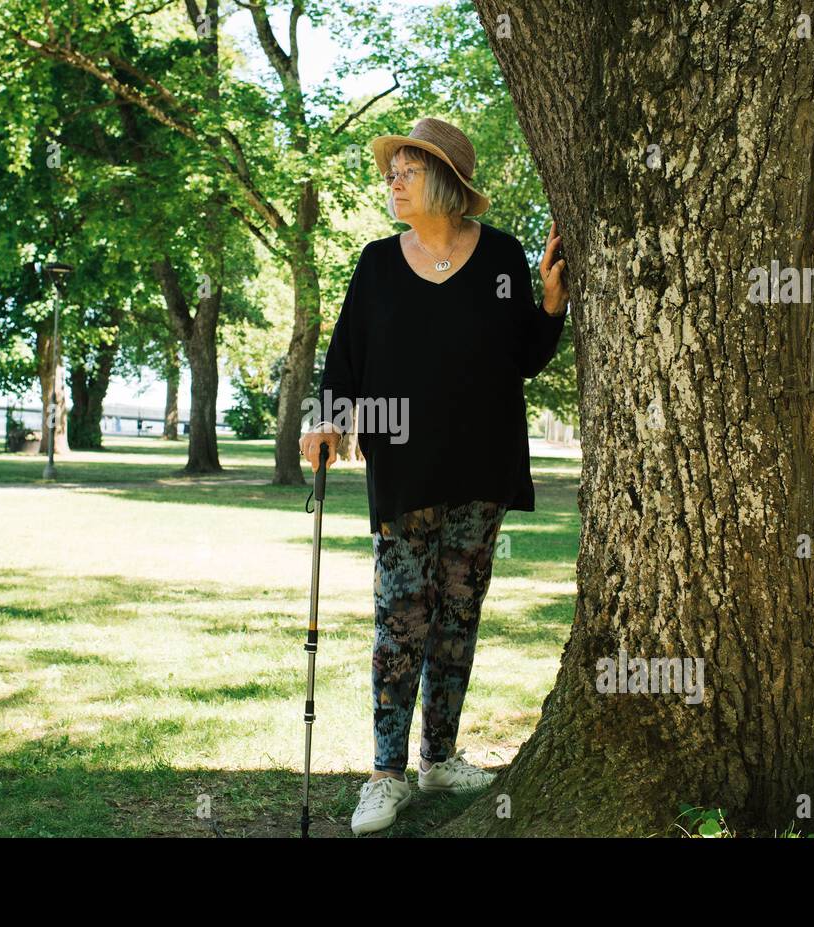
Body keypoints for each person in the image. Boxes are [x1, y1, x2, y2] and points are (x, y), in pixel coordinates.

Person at [298, 117, 569, 835]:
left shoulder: (502, 256)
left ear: (443, 181)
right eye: (391, 173)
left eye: (406, 171)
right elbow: (345, 358)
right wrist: (325, 420)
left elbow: (524, 355)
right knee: (400, 616)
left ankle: (439, 758)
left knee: (458, 614)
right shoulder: (378, 264)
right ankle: (385, 775)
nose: (392, 182)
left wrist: (549, 304)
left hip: (483, 462)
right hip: (403, 465)